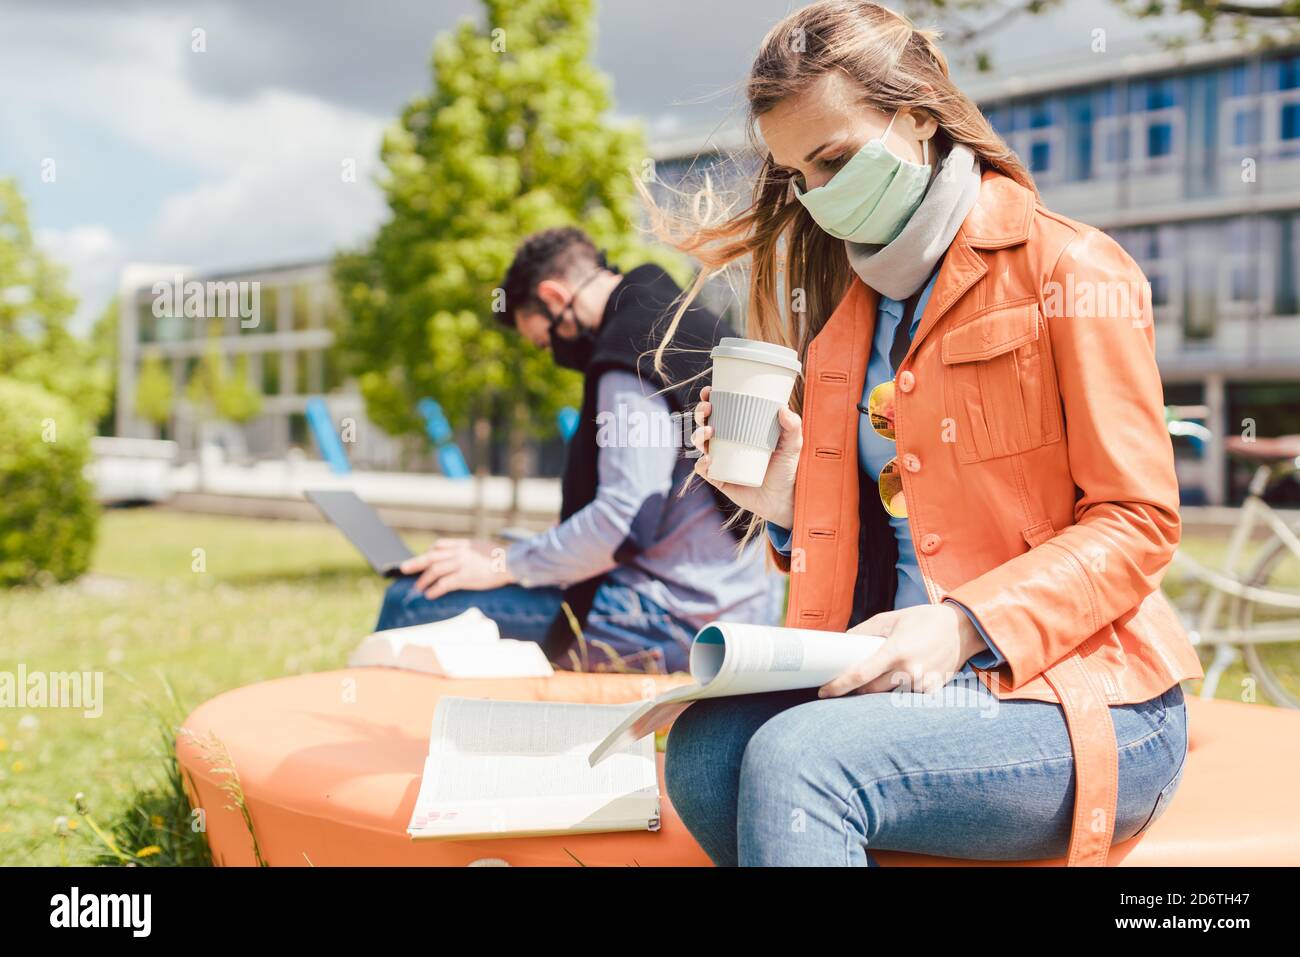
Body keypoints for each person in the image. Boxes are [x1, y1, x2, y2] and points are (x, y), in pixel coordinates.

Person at [656, 0, 1204, 865]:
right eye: (800, 174)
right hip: (910, 691)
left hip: (1081, 694)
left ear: (916, 118)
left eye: (834, 157)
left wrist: (961, 624)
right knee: (705, 751)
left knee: (802, 763)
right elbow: (869, 565)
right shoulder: (843, 328)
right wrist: (789, 509)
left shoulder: (1072, 268)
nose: (819, 195)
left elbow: (1138, 523)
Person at [374, 227, 776, 673]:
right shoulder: (678, 315)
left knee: (409, 601)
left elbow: (623, 526)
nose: (556, 354)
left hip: (671, 619)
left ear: (553, 295)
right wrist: (513, 550)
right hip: (736, 602)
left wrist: (503, 562)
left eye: (546, 341)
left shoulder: (629, 357)